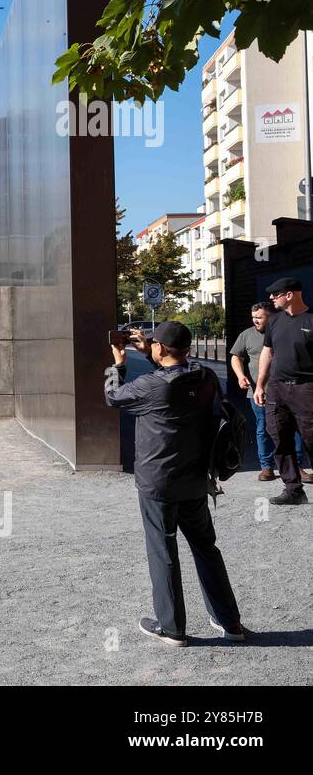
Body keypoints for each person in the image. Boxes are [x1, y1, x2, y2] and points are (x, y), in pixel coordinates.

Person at [106, 321, 246, 646]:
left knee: (163, 550)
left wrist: (119, 362)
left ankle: (172, 628)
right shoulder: (206, 377)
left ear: (161, 349)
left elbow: (113, 397)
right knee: (206, 548)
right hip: (196, 479)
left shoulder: (152, 386)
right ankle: (230, 622)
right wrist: (155, 352)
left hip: (159, 484)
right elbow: (185, 374)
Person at [230, 300, 312, 482]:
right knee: (263, 428)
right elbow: (236, 357)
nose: (255, 321)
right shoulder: (247, 335)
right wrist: (240, 375)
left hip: (289, 390)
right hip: (259, 392)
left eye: (259, 317)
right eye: (253, 318)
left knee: (294, 429)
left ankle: (298, 467)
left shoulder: (285, 331)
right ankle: (266, 467)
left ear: (271, 316)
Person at [254, 276, 313, 506]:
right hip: (277, 388)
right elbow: (267, 352)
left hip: (306, 388)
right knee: (278, 436)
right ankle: (293, 489)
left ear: (290, 295)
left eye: (275, 294)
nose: (271, 298)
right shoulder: (275, 321)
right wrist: (260, 384)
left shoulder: (311, 319)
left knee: (311, 438)